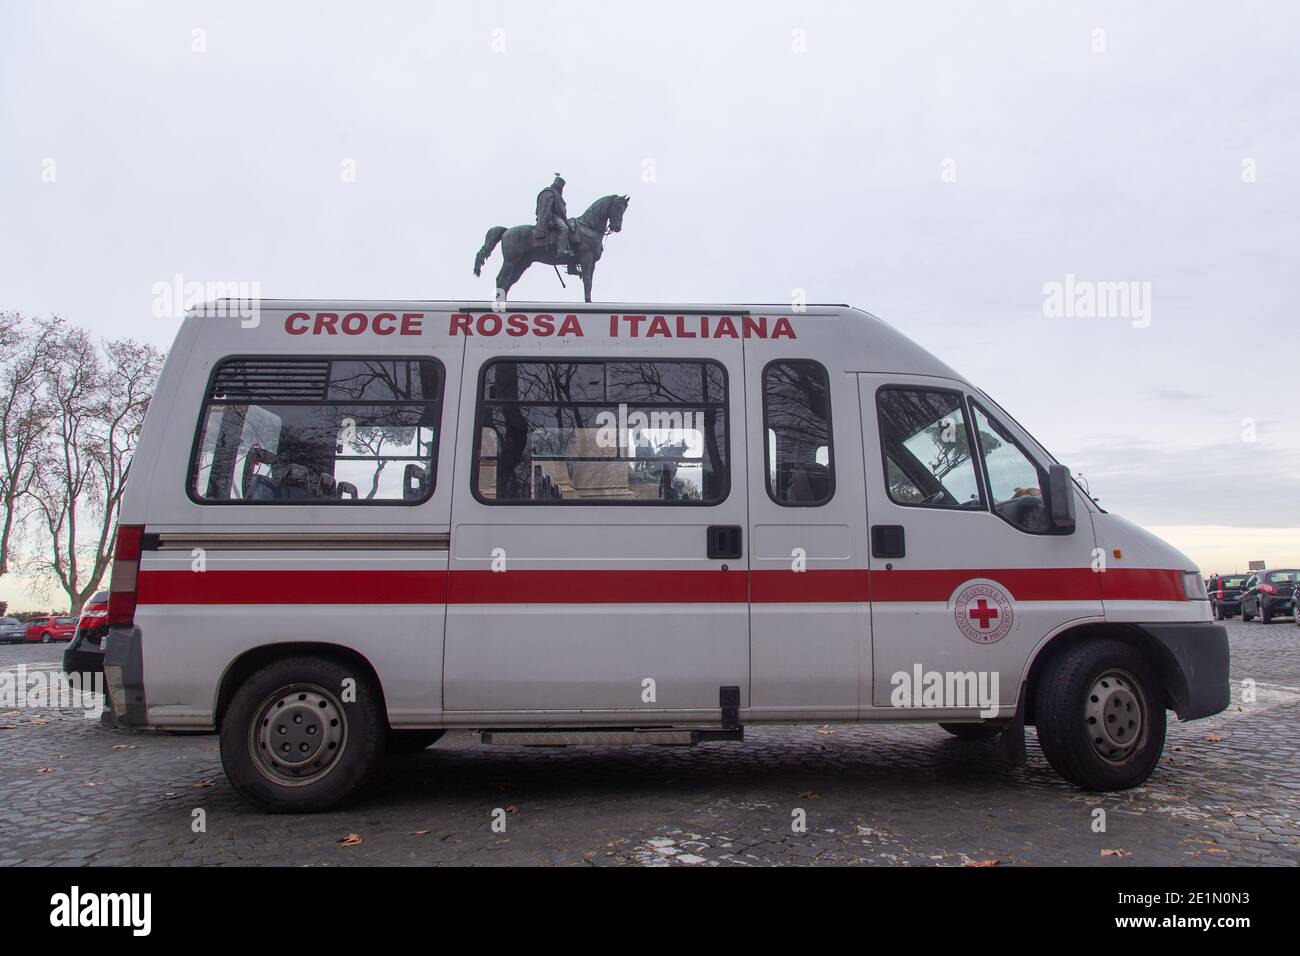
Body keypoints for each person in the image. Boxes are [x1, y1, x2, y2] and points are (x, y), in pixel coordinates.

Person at [534, 174, 571, 259]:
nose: (561, 189)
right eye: (561, 186)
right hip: (552, 216)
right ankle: (561, 250)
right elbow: (546, 208)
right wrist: (549, 220)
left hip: (557, 217)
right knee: (564, 229)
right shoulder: (549, 192)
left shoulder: (557, 194)